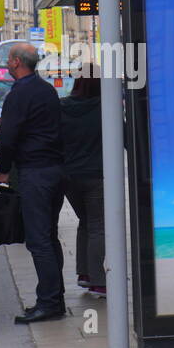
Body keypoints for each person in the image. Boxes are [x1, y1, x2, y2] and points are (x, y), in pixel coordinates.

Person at [0, 42, 66, 324]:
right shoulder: (47, 91)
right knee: (49, 236)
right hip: (56, 172)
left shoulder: (18, 95)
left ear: (16, 63)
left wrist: (3, 170)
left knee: (38, 240)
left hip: (34, 173)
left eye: (10, 59)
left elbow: (9, 137)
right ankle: (54, 298)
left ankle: (48, 303)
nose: (8, 63)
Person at [61, 76, 106, 296]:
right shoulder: (104, 108)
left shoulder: (62, 107)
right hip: (95, 175)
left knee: (85, 222)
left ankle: (85, 273)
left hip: (69, 177)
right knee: (98, 225)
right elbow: (125, 137)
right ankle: (99, 280)